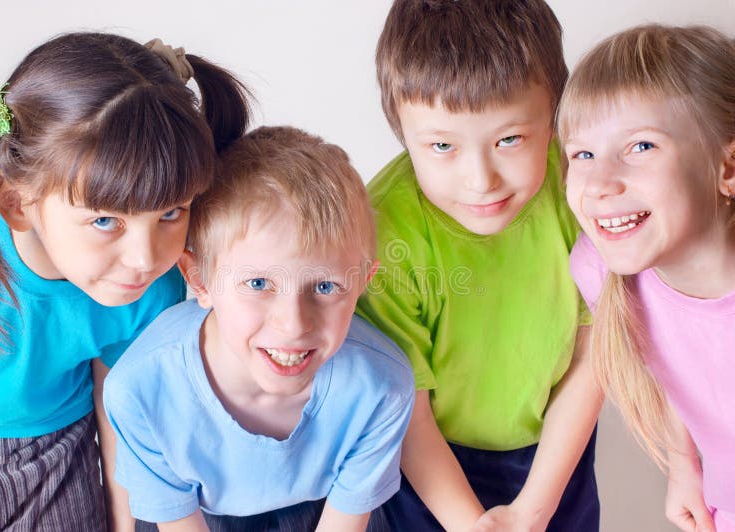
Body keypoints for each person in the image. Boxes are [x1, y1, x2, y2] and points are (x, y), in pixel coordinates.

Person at [0, 32, 249, 531]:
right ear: (18, 203)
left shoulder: (150, 290)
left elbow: (120, 410)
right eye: (106, 221)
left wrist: (123, 523)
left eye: (171, 212)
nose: (145, 259)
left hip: (63, 460)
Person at [356, 1, 603, 530]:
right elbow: (407, 412)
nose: (480, 179)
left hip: (557, 452)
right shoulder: (381, 234)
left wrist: (534, 509)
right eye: (442, 145)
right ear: (402, 129)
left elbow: (596, 354)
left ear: (554, 114)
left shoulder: (582, 191)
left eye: (509, 139)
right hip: (425, 461)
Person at [104, 126, 414, 532]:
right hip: (197, 516)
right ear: (199, 280)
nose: (294, 324)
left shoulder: (381, 386)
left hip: (322, 506)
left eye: (325, 286)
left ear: (361, 283)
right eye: (258, 284)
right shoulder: (141, 389)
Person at [559, 24, 735, 532]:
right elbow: (670, 373)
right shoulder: (599, 269)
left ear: (728, 167)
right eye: (582, 155)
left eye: (640, 147)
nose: (599, 183)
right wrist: (685, 466)